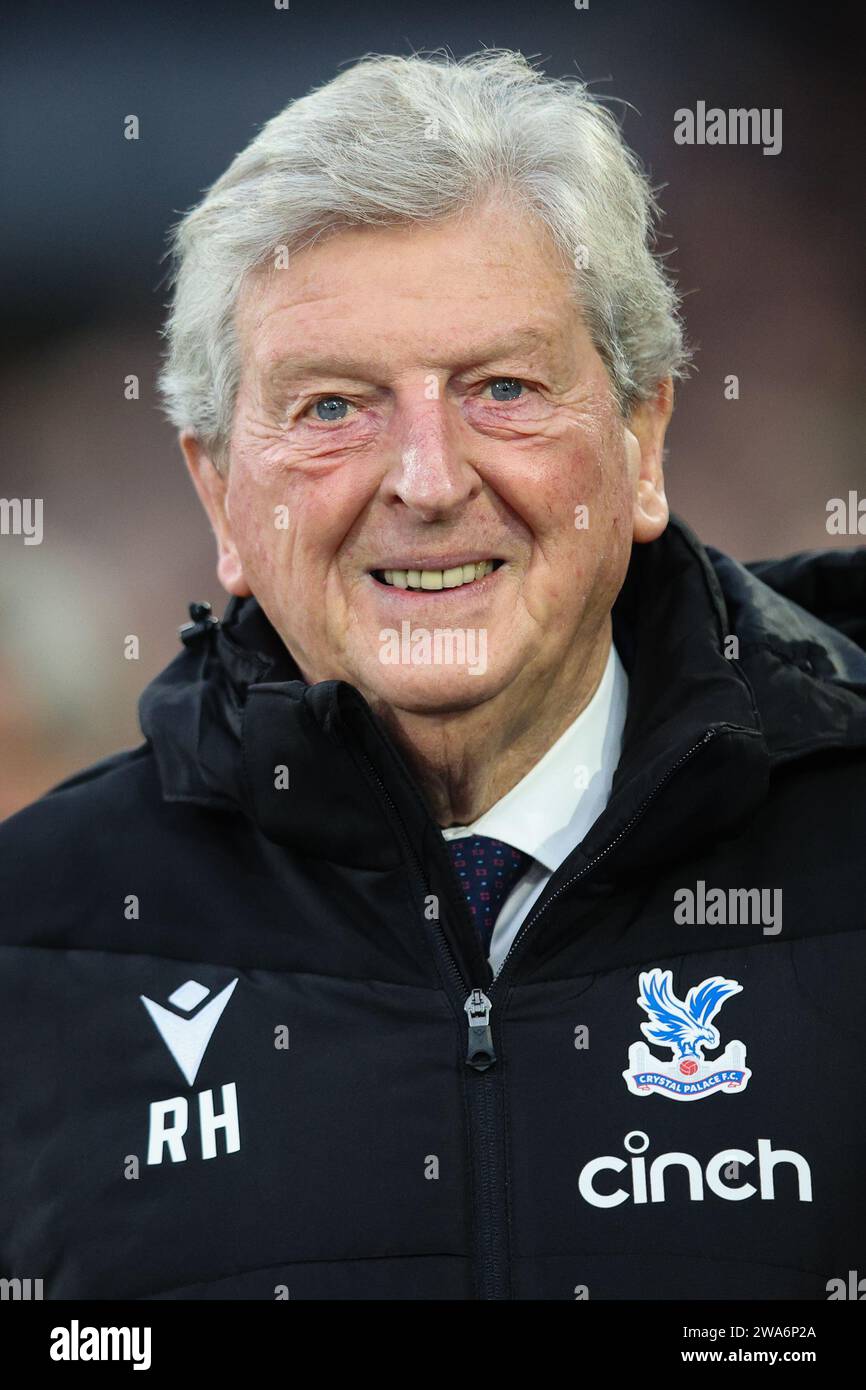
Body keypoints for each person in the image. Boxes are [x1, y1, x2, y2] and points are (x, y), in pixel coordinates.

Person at [1, 49, 864, 1302]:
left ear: (643, 438)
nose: (425, 478)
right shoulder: (30, 939)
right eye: (333, 407)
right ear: (216, 495)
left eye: (501, 389)